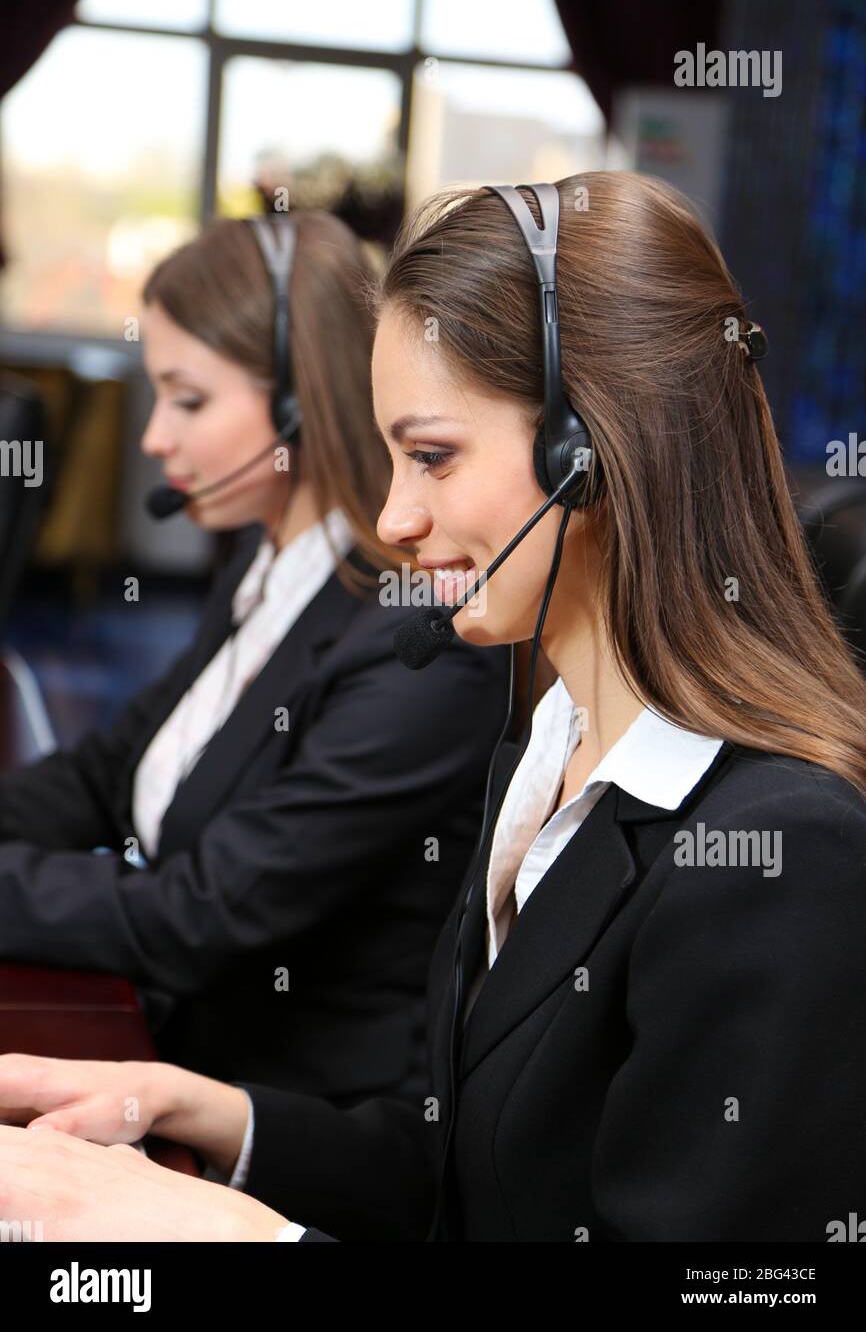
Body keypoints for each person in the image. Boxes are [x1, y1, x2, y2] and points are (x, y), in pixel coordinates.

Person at [1, 171, 865, 1243]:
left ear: (587, 455)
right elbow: (462, 1173)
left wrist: (228, 1236)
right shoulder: (548, 753)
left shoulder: (776, 854)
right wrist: (194, 1109)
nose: (395, 515)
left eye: (432, 457)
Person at [0, 210, 508, 1103]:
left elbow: (202, 911)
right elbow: (110, 770)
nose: (157, 439)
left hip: (286, 1114)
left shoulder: (416, 642)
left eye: (188, 399)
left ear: (295, 405)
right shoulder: (270, 564)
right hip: (174, 1035)